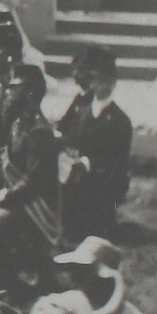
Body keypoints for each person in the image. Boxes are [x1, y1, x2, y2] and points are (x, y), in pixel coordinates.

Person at [56, 46, 135, 245]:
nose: (104, 86)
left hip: (105, 176)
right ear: (92, 83)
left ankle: (92, 227)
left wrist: (86, 163)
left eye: (109, 82)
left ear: (115, 83)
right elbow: (71, 137)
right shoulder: (83, 111)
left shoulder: (119, 120)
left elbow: (116, 159)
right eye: (100, 82)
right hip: (80, 171)